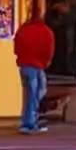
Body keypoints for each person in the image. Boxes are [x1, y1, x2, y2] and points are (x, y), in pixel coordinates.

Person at [13, 7, 55, 135]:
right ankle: (29, 123)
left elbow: (16, 48)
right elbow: (49, 49)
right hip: (37, 66)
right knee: (36, 93)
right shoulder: (46, 31)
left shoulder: (22, 30)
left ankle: (30, 119)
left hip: (24, 65)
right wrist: (46, 61)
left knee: (30, 94)